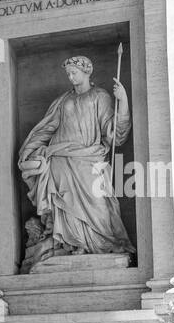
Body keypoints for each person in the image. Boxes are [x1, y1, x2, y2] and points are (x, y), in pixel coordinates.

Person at [17, 54, 132, 262]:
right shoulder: (63, 101)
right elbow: (47, 128)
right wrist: (30, 149)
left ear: (87, 71)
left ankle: (103, 244)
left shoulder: (100, 96)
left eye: (74, 72)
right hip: (60, 158)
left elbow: (114, 133)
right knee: (66, 203)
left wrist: (122, 100)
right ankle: (73, 244)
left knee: (99, 204)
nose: (70, 77)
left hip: (89, 159)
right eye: (68, 73)